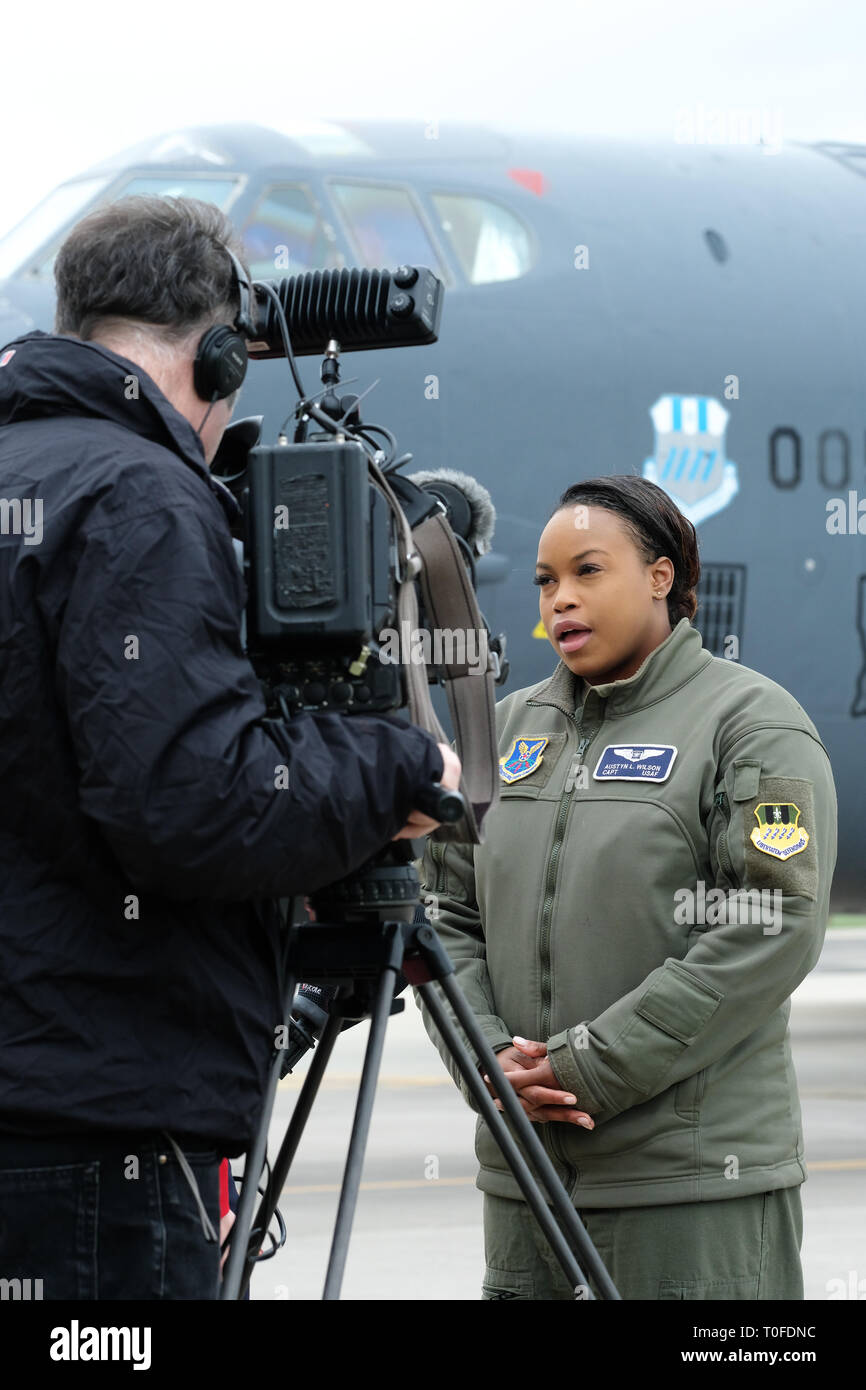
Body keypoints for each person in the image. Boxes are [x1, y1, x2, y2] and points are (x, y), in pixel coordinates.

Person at [0, 195, 460, 1300]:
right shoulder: (139, 494)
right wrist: (399, 768)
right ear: (218, 353)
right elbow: (193, 804)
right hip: (91, 1126)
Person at [417, 474, 837, 1300]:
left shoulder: (750, 723)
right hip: (526, 1182)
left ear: (662, 576)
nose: (559, 601)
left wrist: (589, 1068)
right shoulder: (503, 728)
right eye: (545, 581)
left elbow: (772, 922)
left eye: (587, 571)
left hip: (687, 1195)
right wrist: (487, 1060)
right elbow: (444, 911)